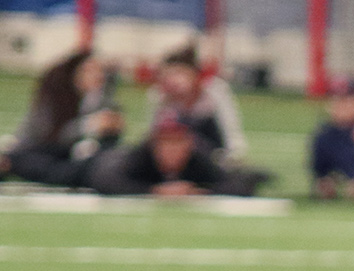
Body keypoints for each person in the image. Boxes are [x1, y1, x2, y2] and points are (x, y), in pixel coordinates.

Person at [3, 48, 124, 187]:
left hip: (79, 161)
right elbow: (51, 138)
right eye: (89, 70)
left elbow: (108, 146)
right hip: (40, 153)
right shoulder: (56, 98)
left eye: (100, 71)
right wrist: (90, 125)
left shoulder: (105, 102)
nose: (97, 76)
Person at [86, 111, 262, 196]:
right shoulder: (141, 157)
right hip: (103, 158)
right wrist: (155, 191)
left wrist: (199, 192)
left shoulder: (199, 158)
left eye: (177, 143)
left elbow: (238, 184)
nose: (171, 150)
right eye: (165, 143)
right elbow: (103, 178)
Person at [148, 42, 249, 163]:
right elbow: (154, 135)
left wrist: (230, 159)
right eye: (168, 75)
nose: (173, 80)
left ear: (195, 75)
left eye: (179, 73)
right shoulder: (159, 96)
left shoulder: (214, 91)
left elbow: (231, 133)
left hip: (212, 155)